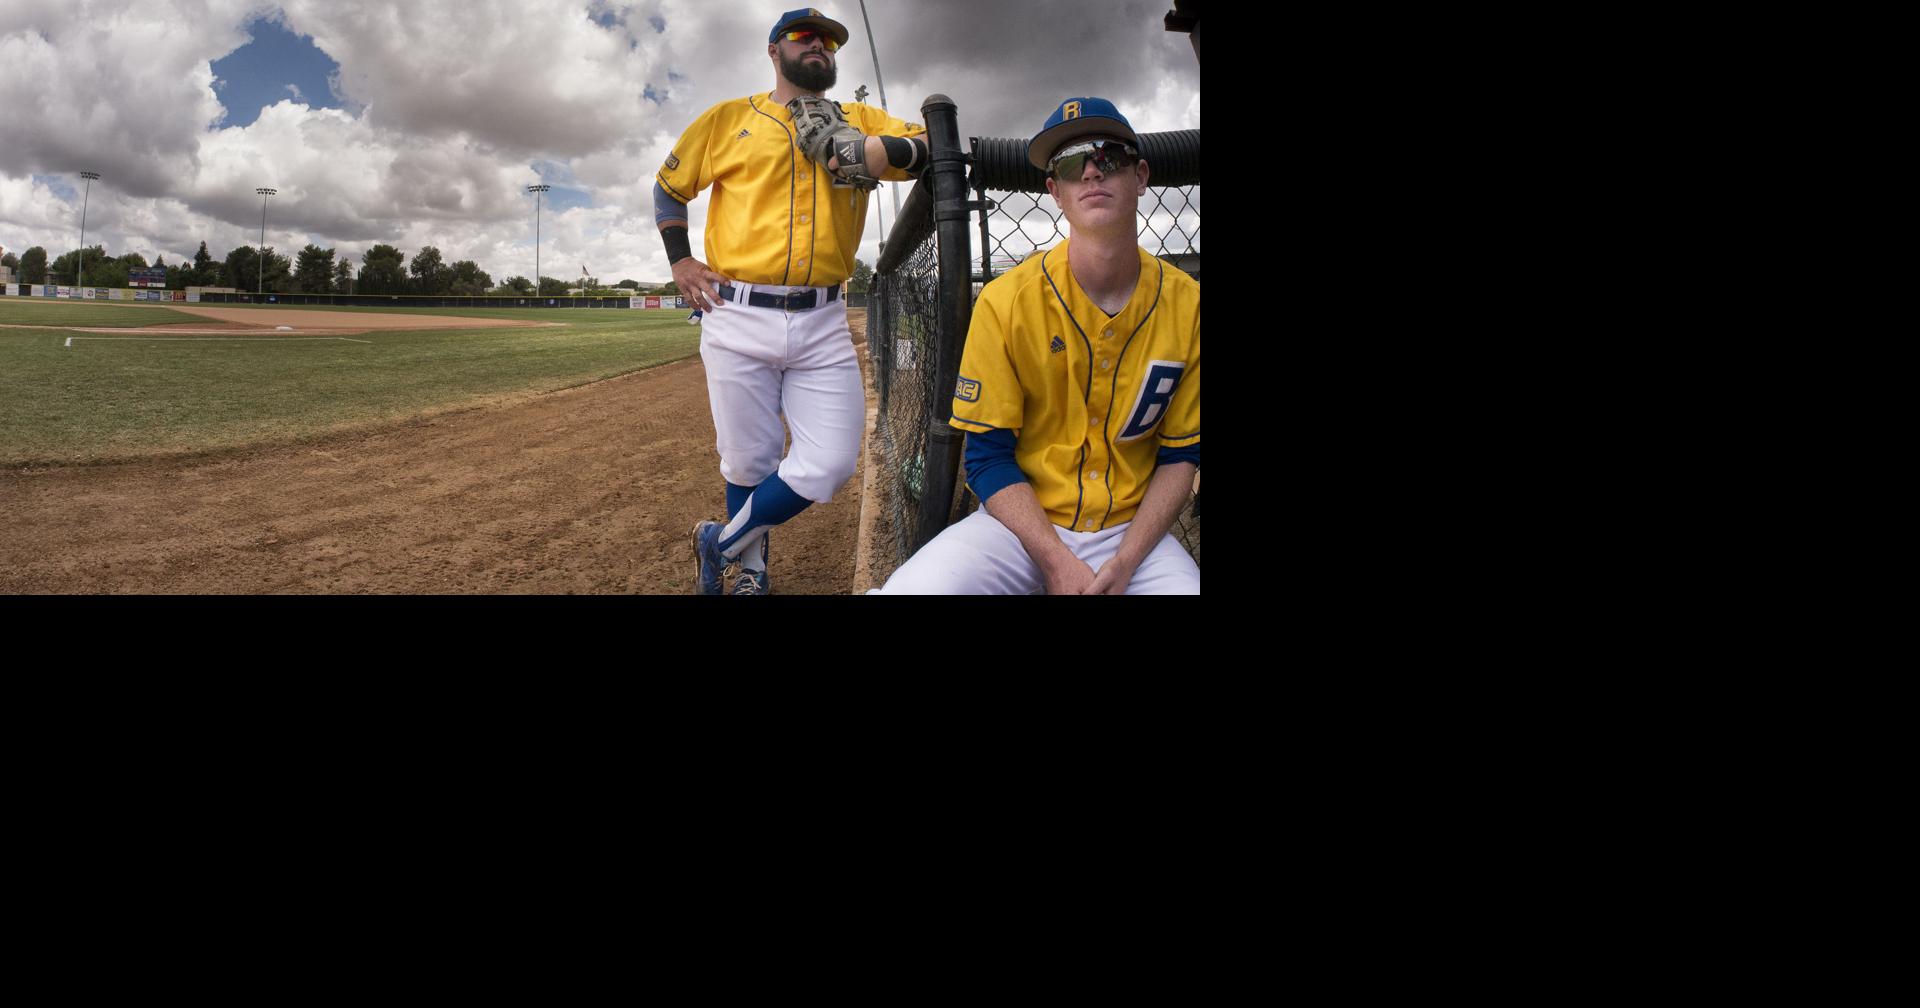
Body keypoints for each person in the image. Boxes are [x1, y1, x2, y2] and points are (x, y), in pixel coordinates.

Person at [875, 97, 1199, 595]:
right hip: (1020, 528)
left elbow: (1182, 455)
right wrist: (1054, 560)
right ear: (1055, 191)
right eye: (1071, 163)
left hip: (1136, 533)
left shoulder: (1190, 304)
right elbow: (986, 457)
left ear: (1140, 176)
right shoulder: (1007, 301)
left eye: (1108, 156)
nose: (1091, 171)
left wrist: (1129, 560)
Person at [656, 7, 929, 595]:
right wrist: (680, 258)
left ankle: (718, 543)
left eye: (829, 42)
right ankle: (752, 574)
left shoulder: (860, 118)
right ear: (774, 49)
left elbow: (932, 143)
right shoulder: (730, 119)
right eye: (805, 37)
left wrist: (879, 152)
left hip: (824, 318)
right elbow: (669, 186)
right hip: (735, 312)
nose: (820, 47)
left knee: (830, 464)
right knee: (747, 462)